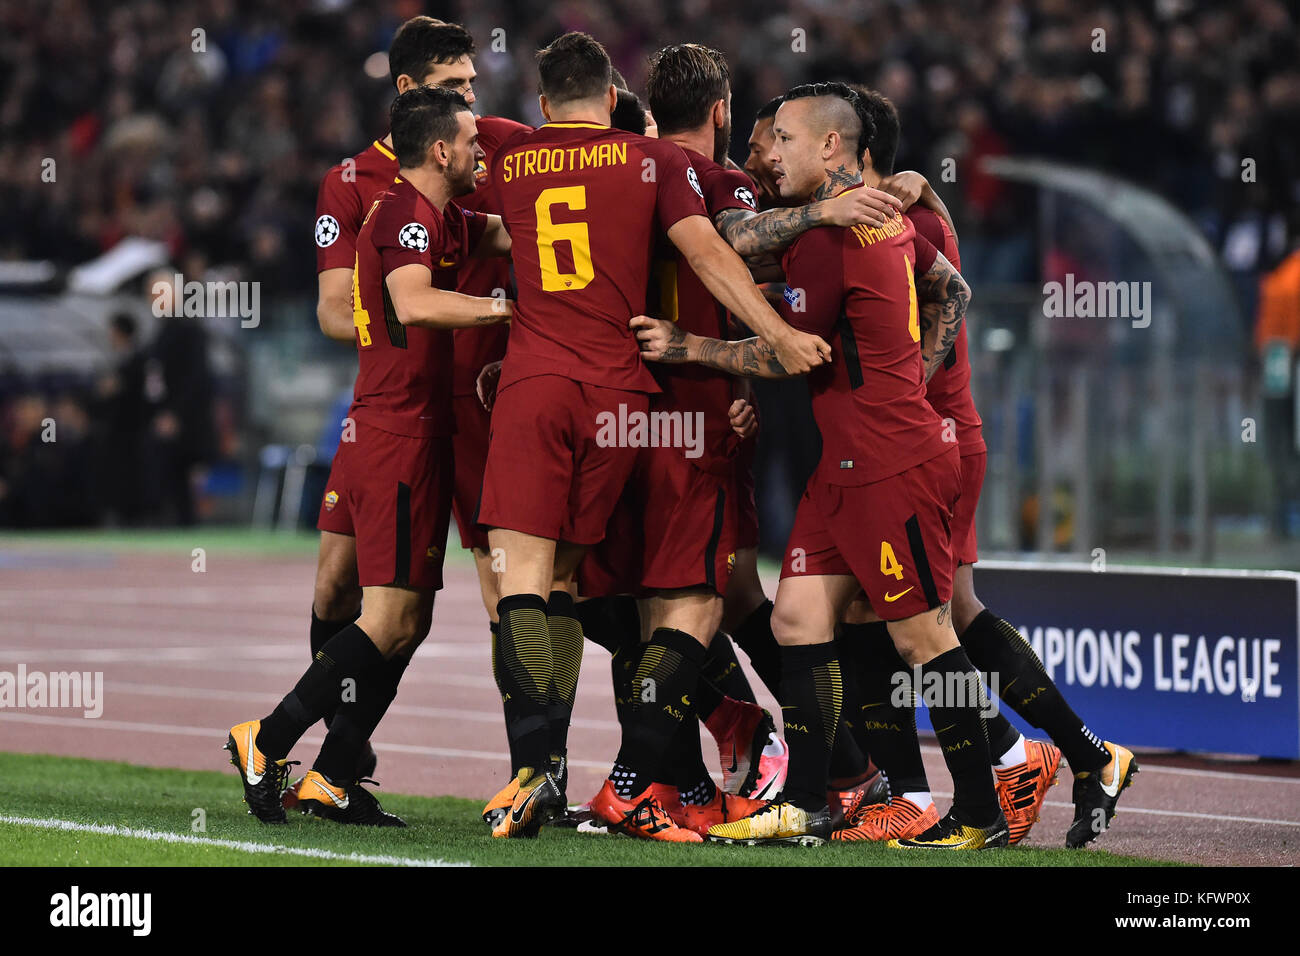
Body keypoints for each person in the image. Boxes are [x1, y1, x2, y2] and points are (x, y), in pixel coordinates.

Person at [478, 31, 831, 840]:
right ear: (610, 101)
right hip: (646, 403)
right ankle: (682, 776)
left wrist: (497, 332)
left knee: (553, 590)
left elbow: (484, 234)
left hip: (539, 389)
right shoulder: (667, 170)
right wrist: (770, 341)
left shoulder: (511, 159)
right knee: (695, 603)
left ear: (542, 105)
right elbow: (717, 254)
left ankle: (549, 771)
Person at [636, 83, 1005, 850]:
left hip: (885, 463)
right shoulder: (854, 222)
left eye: (787, 143)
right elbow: (951, 287)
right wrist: (906, 365)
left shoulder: (846, 236)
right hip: (843, 467)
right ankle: (807, 800)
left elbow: (786, 350)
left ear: (832, 147)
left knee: (925, 639)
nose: (770, 155)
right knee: (800, 618)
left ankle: (980, 811)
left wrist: (688, 347)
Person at [226, 87, 512, 826]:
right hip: (400, 436)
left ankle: (334, 774)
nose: (485, 149)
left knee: (401, 618)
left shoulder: (438, 216)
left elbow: (509, 236)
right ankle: (270, 736)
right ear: (440, 150)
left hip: (382, 427)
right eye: (474, 138)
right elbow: (415, 303)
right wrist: (503, 311)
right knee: (387, 618)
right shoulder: (407, 218)